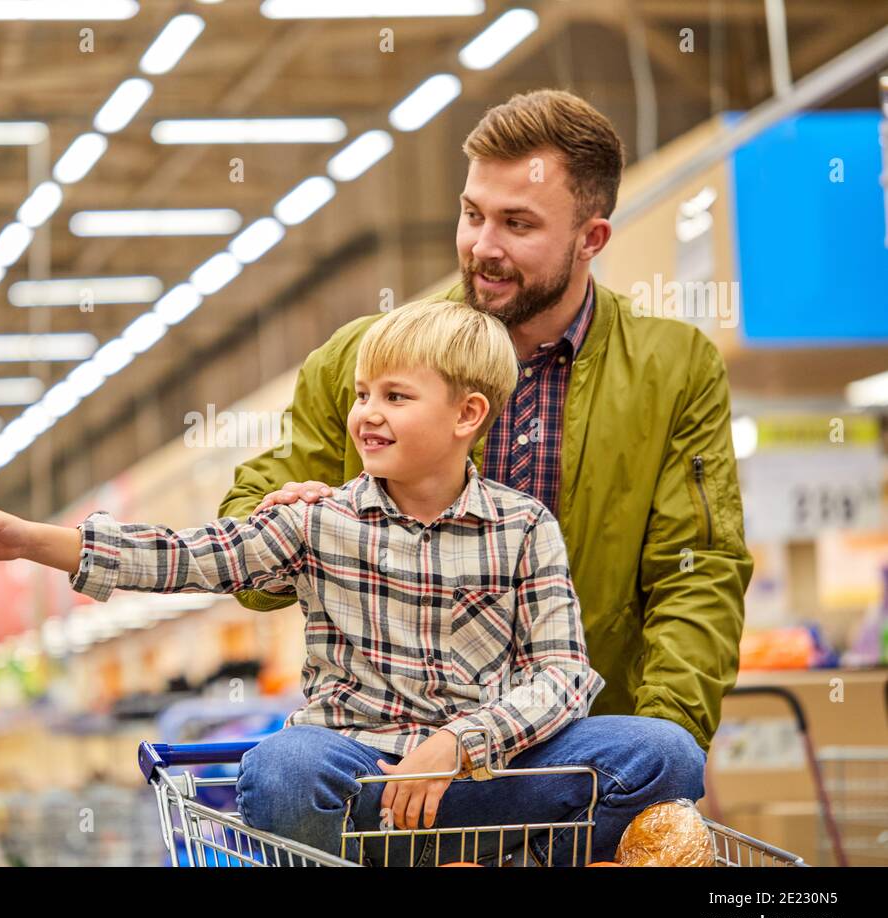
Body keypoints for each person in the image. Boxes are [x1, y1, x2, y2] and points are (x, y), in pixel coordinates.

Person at [0, 299, 703, 867]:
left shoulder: (524, 526)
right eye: (363, 394)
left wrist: (458, 744)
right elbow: (185, 555)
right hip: (359, 784)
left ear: (468, 413)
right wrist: (27, 540)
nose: (367, 414)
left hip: (482, 779)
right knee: (282, 769)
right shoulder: (317, 520)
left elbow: (565, 674)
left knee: (665, 753)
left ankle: (504, 860)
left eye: (396, 396)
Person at [219, 89, 751, 784]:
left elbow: (698, 570)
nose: (483, 247)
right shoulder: (366, 357)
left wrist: (661, 738)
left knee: (666, 757)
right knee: (283, 775)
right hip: (389, 749)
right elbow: (252, 524)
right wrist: (276, 526)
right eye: (472, 215)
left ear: (591, 238)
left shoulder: (673, 369)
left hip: (567, 750)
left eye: (517, 224)